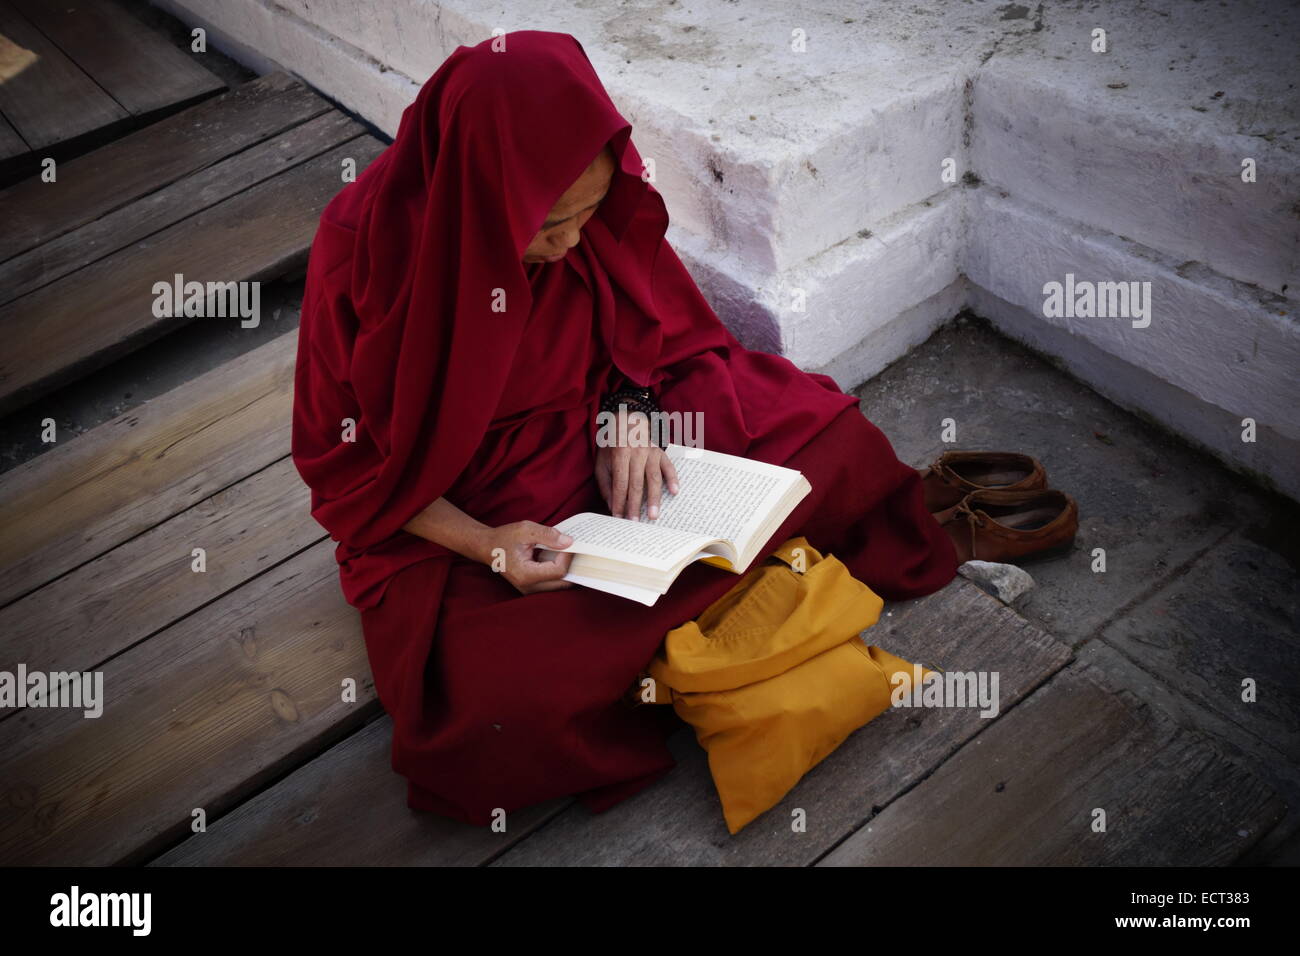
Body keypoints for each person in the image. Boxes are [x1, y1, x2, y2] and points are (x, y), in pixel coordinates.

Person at [291, 30, 959, 827]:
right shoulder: (362, 252)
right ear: (477, 197)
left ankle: (675, 637)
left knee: (833, 444)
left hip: (608, 435)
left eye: (587, 214)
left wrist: (630, 415)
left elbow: (658, 332)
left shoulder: (586, 210)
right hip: (475, 500)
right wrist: (488, 544)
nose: (572, 242)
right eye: (546, 229)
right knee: (496, 707)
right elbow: (344, 470)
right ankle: (717, 619)